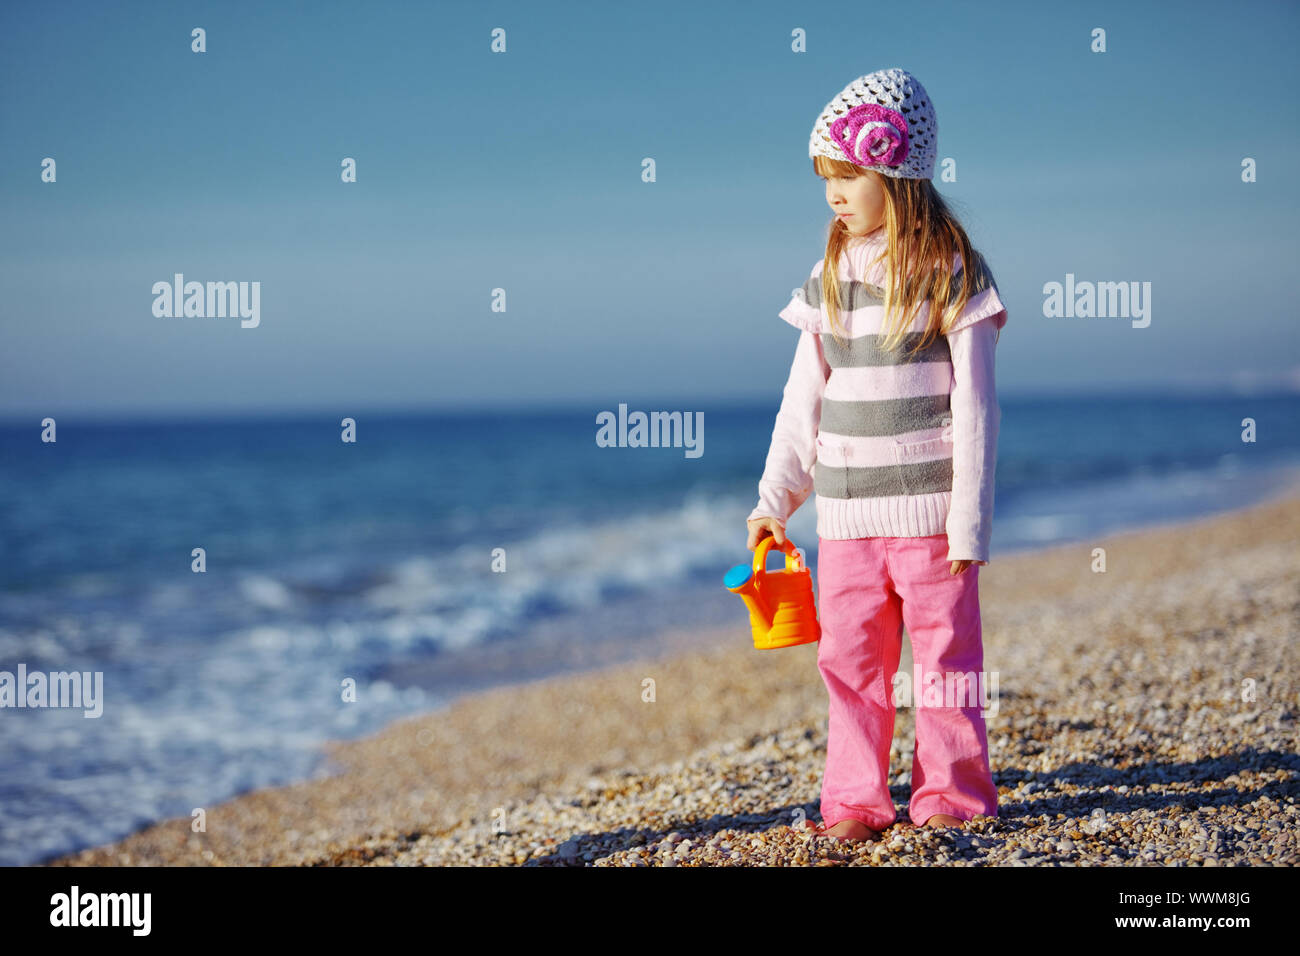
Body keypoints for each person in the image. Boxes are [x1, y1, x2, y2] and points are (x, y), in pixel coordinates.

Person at [746, 68, 1007, 842]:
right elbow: (803, 406)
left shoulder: (950, 270)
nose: (832, 193)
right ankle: (856, 801)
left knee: (946, 662)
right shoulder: (828, 277)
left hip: (930, 515)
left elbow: (977, 407)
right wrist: (773, 503)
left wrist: (970, 525)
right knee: (851, 668)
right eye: (825, 177)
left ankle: (950, 797)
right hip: (848, 518)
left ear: (897, 171)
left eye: (848, 174)